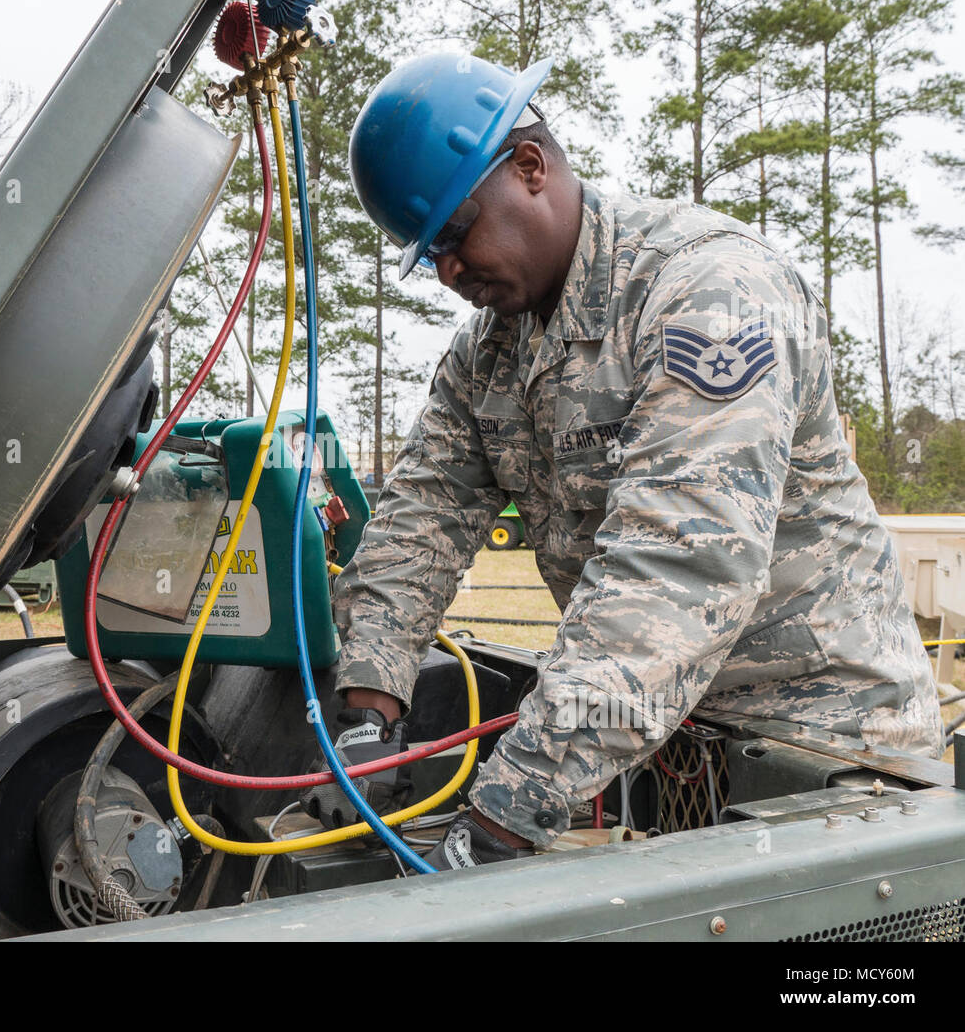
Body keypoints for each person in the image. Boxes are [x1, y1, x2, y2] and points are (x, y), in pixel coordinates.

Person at [299, 52, 944, 871]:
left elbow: (675, 569)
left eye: (456, 234)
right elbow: (421, 516)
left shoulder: (709, 291)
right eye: (431, 256)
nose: (451, 272)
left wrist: (508, 808)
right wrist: (366, 709)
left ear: (529, 167)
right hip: (677, 755)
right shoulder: (488, 356)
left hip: (832, 765)